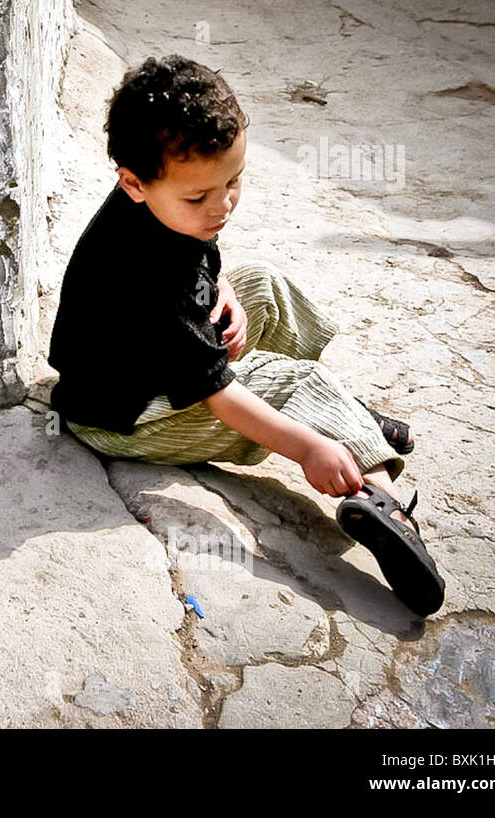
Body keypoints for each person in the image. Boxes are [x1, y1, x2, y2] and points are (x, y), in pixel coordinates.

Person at [48, 55, 444, 616]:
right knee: (290, 383)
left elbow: (199, 255)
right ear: (134, 183)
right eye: (200, 198)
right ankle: (378, 495)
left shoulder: (161, 208)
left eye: (233, 181)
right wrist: (305, 450)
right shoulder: (150, 279)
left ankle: (336, 416)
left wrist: (223, 283)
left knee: (263, 285)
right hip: (127, 419)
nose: (223, 204)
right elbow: (217, 394)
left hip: (146, 364)